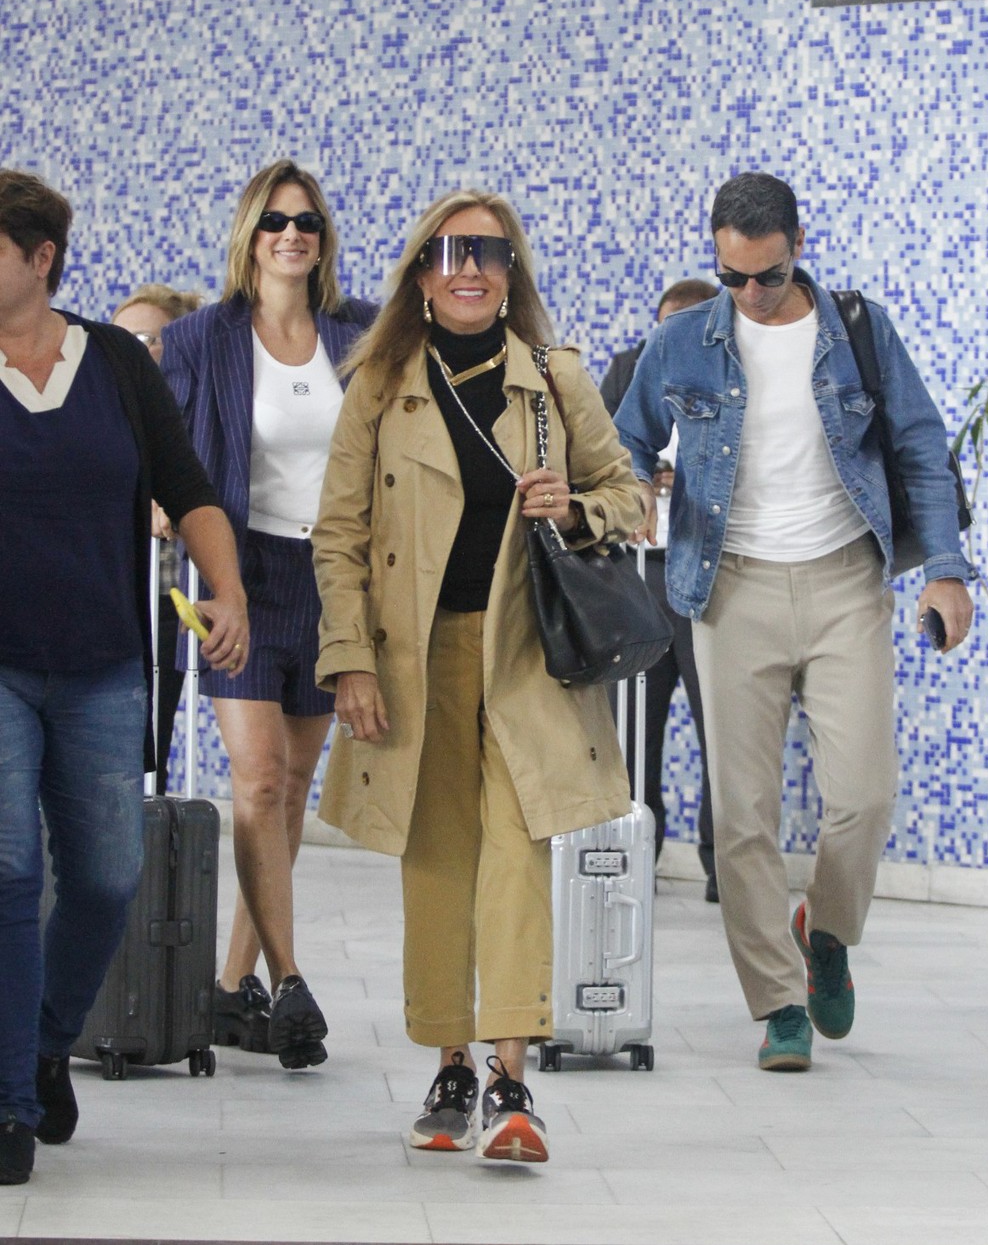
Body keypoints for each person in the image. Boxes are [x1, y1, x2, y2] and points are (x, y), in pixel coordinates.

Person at [615, 171, 974, 1072]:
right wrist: (630, 490)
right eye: (731, 275)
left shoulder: (858, 331)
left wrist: (947, 572)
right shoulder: (681, 343)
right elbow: (620, 439)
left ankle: (828, 931)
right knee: (743, 815)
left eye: (765, 276)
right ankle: (778, 1001)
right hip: (729, 588)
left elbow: (923, 447)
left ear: (798, 246)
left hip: (846, 579)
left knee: (864, 794)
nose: (748, 294)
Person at [311, 189, 642, 1162]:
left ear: (511, 272)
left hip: (527, 653)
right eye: (450, 251)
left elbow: (627, 495)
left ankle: (509, 1079)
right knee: (440, 858)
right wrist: (349, 660)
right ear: (420, 272)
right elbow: (337, 536)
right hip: (418, 660)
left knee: (517, 856)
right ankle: (450, 1062)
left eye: (489, 252)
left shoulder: (554, 378)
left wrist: (574, 506)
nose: (469, 267)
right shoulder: (376, 383)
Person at [0, 170, 248, 1187]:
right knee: (11, 870)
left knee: (107, 876)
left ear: (38, 258)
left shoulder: (112, 362)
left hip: (103, 660)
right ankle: (11, 1100)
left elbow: (186, 488)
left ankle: (48, 1037)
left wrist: (225, 589)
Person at [160, 159, 377, 1071]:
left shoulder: (360, 333)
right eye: (275, 221)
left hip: (331, 577)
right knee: (253, 781)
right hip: (239, 575)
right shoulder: (201, 338)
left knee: (288, 788)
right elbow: (167, 452)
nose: (293, 234)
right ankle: (289, 981)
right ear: (249, 236)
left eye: (308, 222)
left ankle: (230, 985)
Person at [600, 279, 718, 900]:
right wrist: (640, 479)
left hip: (708, 577)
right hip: (641, 574)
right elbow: (595, 459)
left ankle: (724, 872)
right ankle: (634, 861)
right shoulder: (626, 373)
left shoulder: (731, 375)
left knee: (721, 734)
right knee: (630, 734)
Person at [112, 285, 204, 793]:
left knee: (148, 736)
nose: (135, 349)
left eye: (150, 338)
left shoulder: (193, 417)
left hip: (165, 598)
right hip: (105, 596)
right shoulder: (95, 409)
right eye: (123, 337)